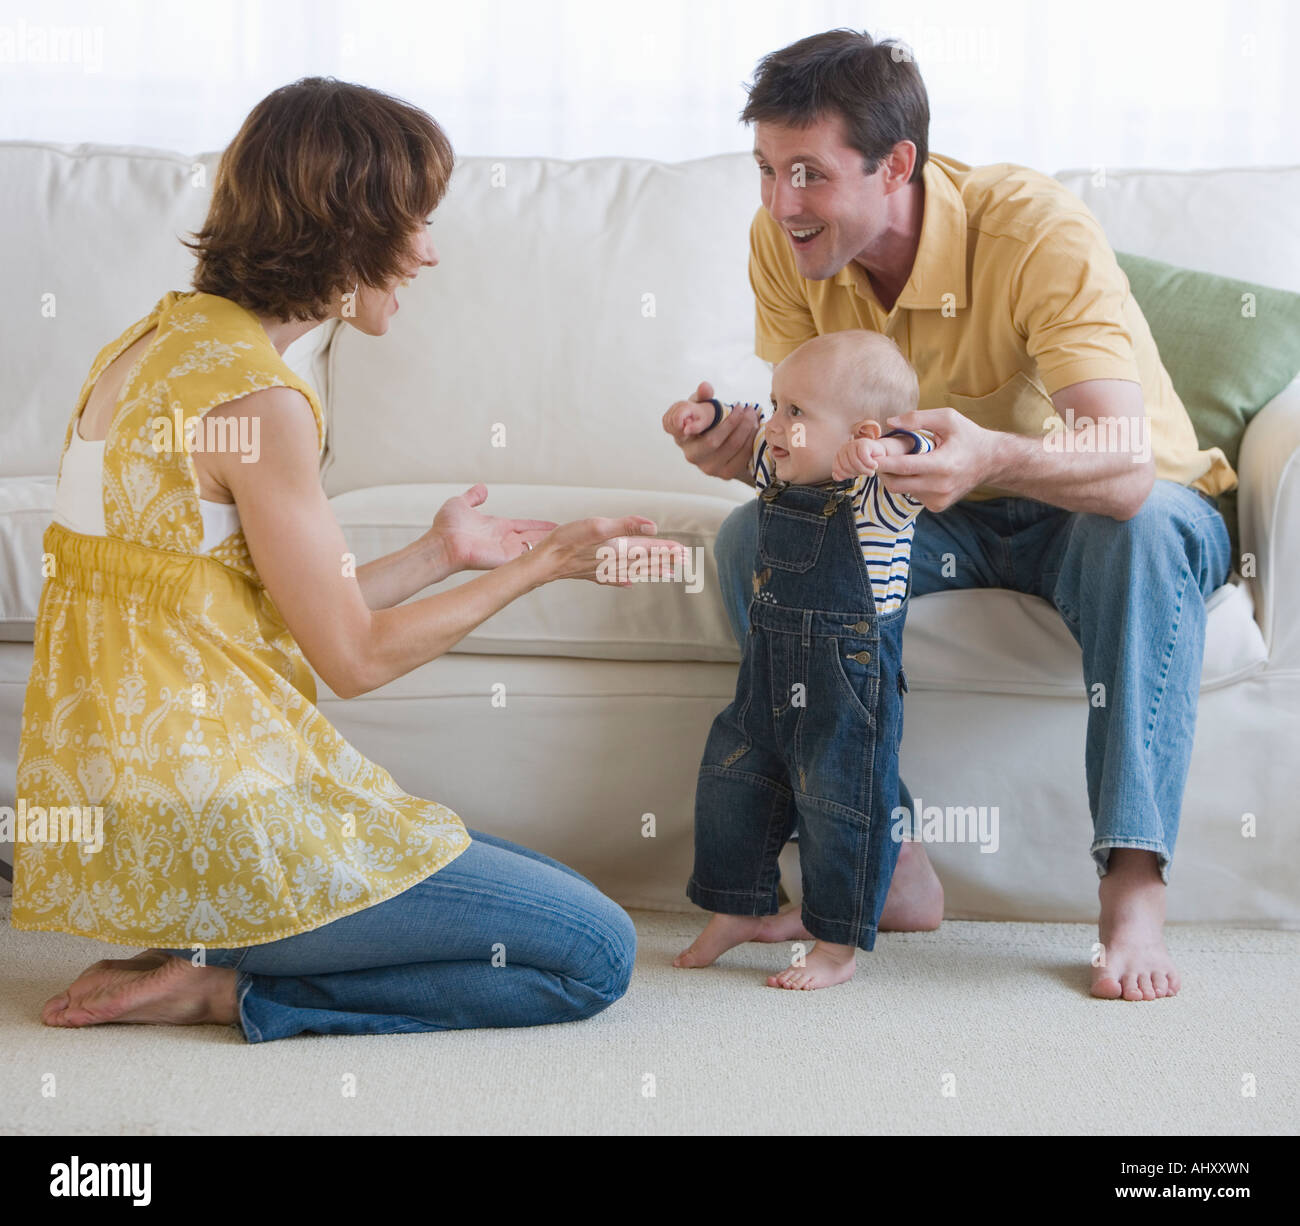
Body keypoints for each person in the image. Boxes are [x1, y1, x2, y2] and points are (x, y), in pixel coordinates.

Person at [17, 77, 683, 1043]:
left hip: (147, 825)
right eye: (411, 222)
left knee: (550, 893)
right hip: (223, 827)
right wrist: (539, 568)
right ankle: (231, 987)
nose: (427, 251)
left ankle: (212, 945)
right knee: (594, 950)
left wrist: (442, 553)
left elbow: (246, 606)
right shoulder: (257, 401)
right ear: (345, 230)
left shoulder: (156, 343)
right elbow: (355, 658)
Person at [664, 30, 1234, 1001]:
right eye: (765, 170)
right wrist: (746, 451)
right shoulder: (786, 245)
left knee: (1140, 529)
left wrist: (994, 455)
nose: (778, 203)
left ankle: (1131, 884)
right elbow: (813, 451)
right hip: (932, 506)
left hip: (1103, 501)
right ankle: (889, 860)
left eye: (806, 172)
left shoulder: (1030, 228)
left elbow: (1123, 464)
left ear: (896, 166)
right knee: (758, 536)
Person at [668, 331, 935, 988]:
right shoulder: (780, 469)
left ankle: (836, 947)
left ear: (862, 433)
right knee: (732, 781)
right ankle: (736, 909)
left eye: (795, 413)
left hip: (846, 681)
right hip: (769, 668)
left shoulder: (881, 499)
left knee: (839, 801)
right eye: (776, 403)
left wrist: (890, 448)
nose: (776, 425)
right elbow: (745, 432)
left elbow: (927, 447)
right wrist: (708, 418)